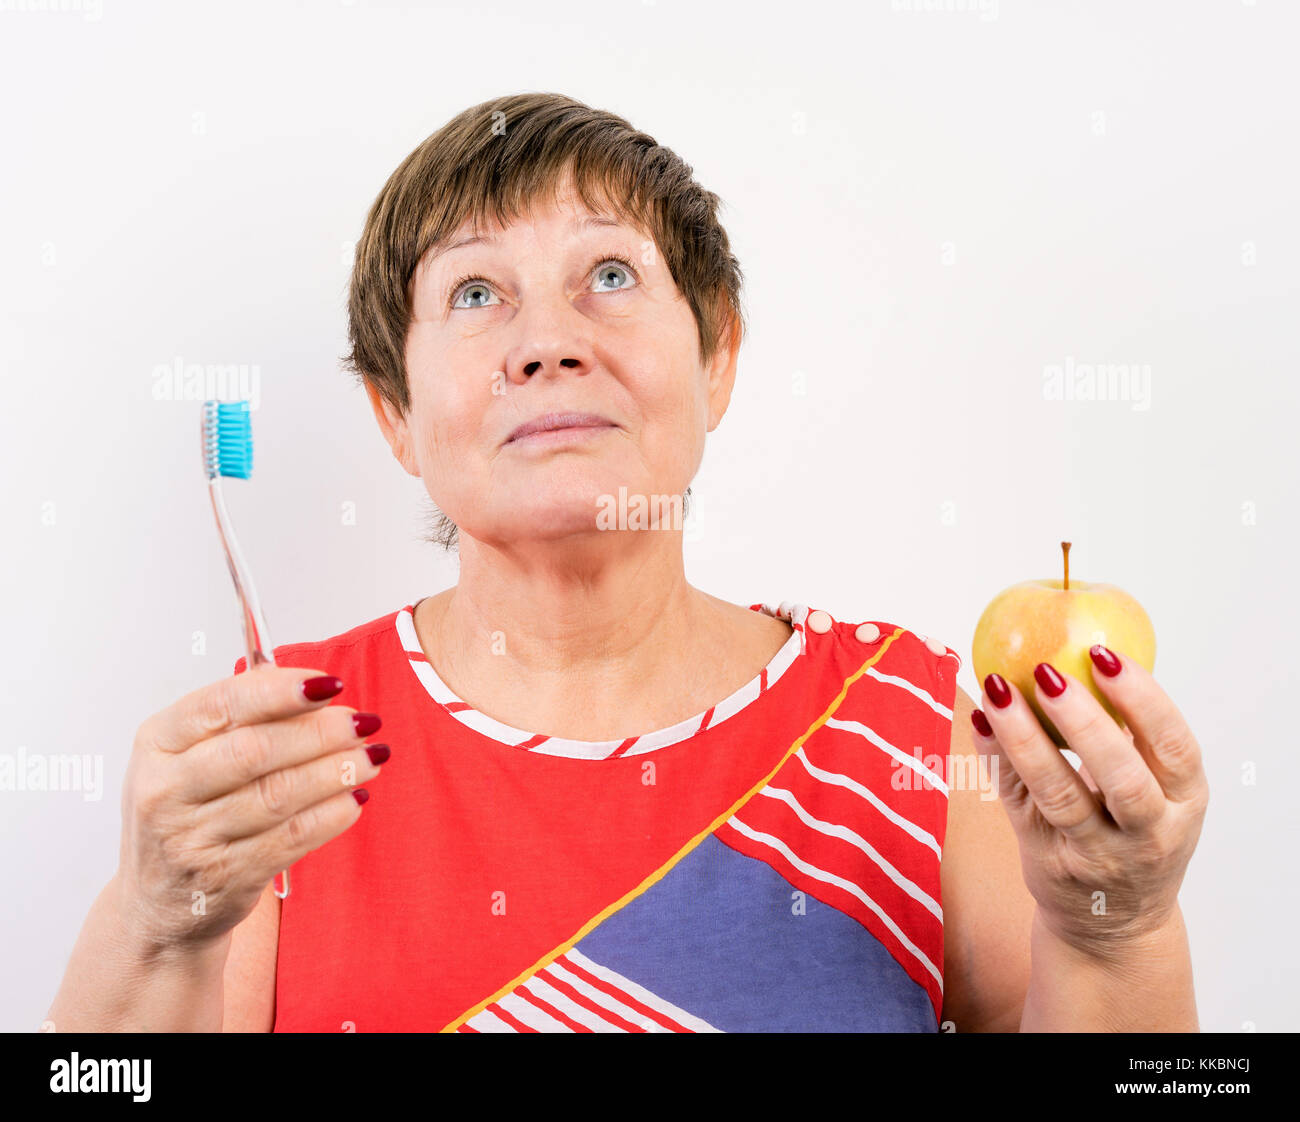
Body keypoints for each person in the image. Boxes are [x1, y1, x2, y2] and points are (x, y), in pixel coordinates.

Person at [46, 92, 1208, 1032]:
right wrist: (157, 915)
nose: (548, 343)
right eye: (474, 292)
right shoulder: (274, 762)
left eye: (609, 276)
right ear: (395, 414)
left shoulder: (906, 726)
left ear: (717, 359)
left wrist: (1119, 930)